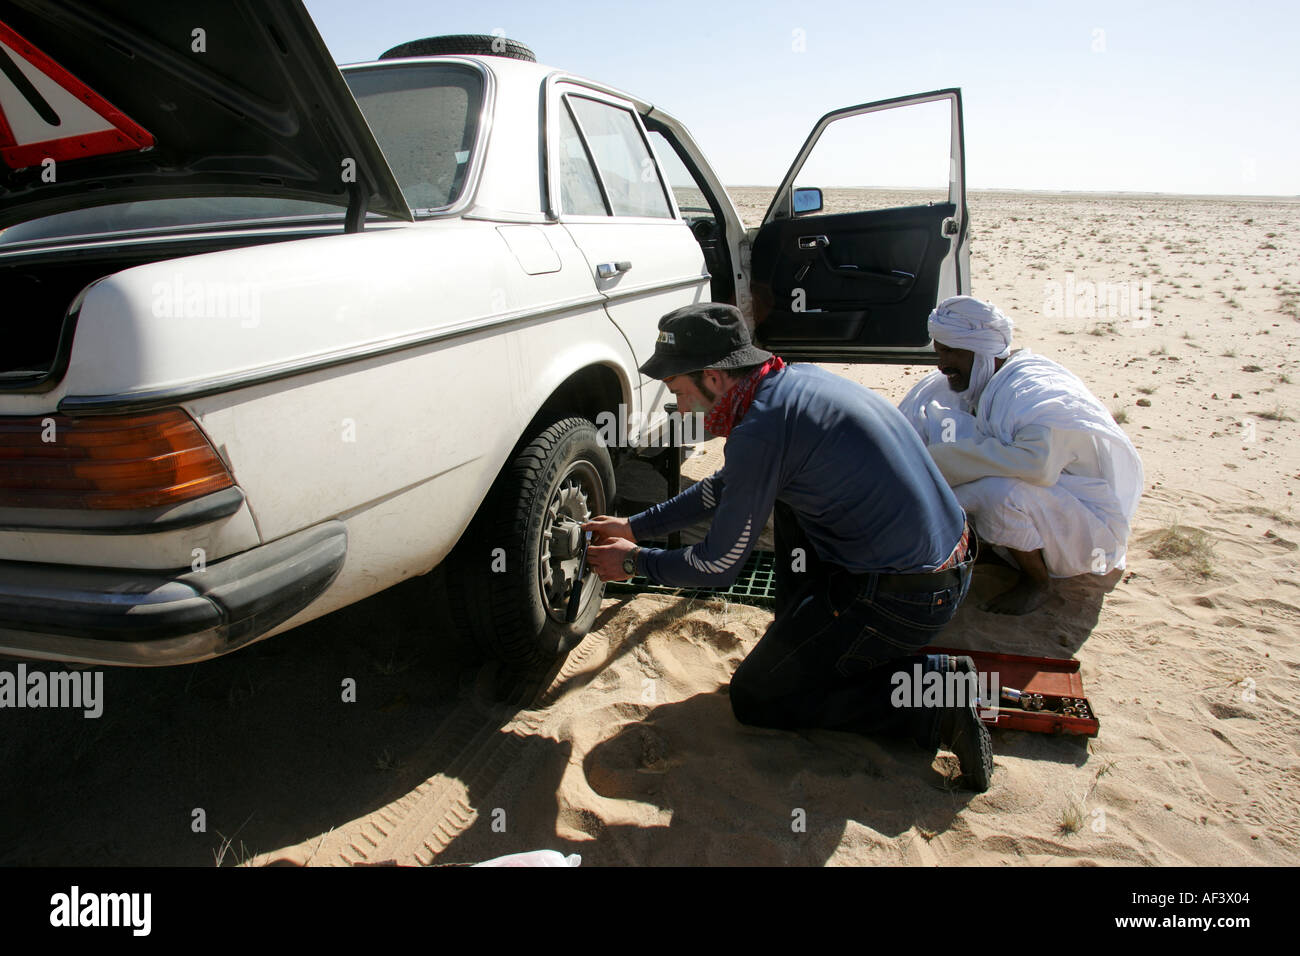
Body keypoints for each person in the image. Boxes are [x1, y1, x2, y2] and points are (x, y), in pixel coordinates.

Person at [582, 302, 993, 791]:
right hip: (948, 557)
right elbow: (725, 487)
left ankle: (937, 698)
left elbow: (717, 566)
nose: (681, 409)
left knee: (759, 699)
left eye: (678, 392)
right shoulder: (788, 386)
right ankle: (808, 631)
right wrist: (636, 525)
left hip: (911, 599)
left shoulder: (761, 430)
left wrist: (632, 563)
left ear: (714, 378)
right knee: (785, 500)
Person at [898, 296, 1144, 615]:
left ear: (981, 350)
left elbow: (1037, 465)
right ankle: (989, 548)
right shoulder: (981, 382)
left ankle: (1037, 581)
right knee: (952, 446)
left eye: (951, 352)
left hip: (1086, 528)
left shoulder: (1032, 388)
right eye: (939, 350)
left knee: (993, 494)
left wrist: (940, 463)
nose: (941, 364)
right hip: (1047, 507)